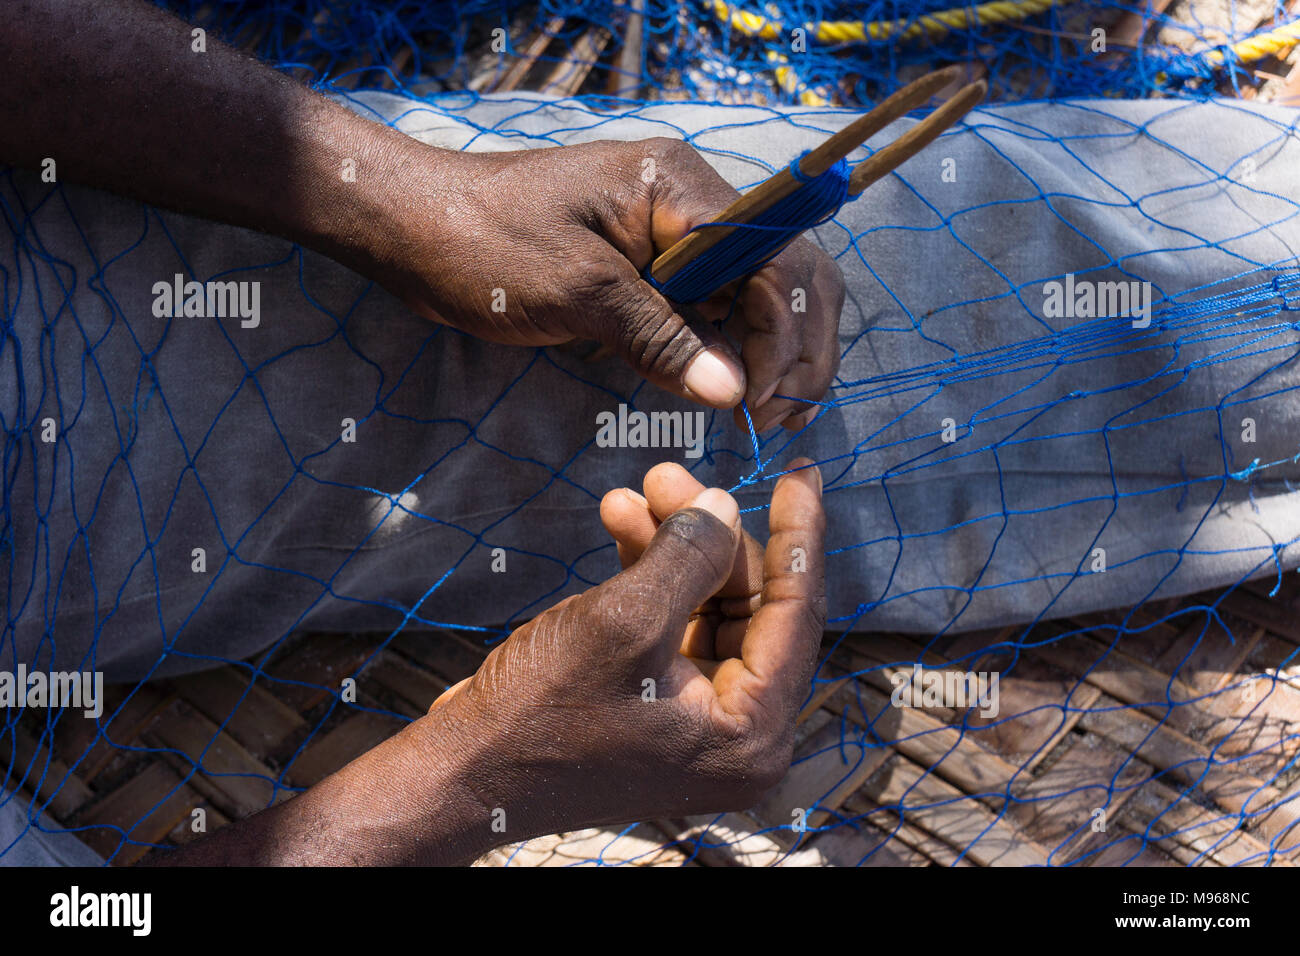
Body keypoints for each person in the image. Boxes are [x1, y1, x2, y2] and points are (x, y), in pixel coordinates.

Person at [5, 0, 1300, 865]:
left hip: (89, 247)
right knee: (804, 450)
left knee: (896, 291)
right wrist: (472, 775)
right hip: (112, 533)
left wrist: (395, 195)